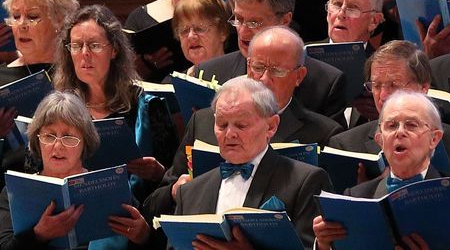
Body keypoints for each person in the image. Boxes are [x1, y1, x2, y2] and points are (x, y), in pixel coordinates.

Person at [143, 27, 344, 220]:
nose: (264, 79)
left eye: (277, 71)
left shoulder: (324, 133)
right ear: (248, 67)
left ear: (299, 76)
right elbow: (155, 203)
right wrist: (177, 191)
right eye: (258, 68)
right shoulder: (204, 121)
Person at [313, 91, 450, 250]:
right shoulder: (357, 195)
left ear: (434, 139)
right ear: (380, 140)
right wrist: (324, 245)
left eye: (411, 125)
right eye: (391, 126)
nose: (400, 132)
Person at [174, 76, 333, 249]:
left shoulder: (305, 181)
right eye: (222, 124)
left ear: (271, 126)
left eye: (241, 125)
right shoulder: (189, 192)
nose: (229, 134)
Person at [52, 5, 178, 200]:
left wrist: (158, 172)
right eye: (76, 46)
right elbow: (37, 170)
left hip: (136, 213)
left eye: (94, 45)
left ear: (114, 50)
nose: (85, 53)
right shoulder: (59, 109)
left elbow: (174, 179)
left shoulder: (147, 105)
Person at [0, 91, 153, 248]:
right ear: (36, 141)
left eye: (69, 137)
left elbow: (148, 241)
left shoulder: (113, 186)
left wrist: (143, 236)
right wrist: (39, 235)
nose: (58, 146)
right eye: (49, 136)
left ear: (85, 143)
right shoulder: (14, 192)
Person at [193, 0, 347, 121]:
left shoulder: (325, 83)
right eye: (239, 19)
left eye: (254, 22)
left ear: (285, 20)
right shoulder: (209, 73)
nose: (243, 31)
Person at [327, 40, 450, 178]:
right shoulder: (345, 146)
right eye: (376, 86)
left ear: (423, 87)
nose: (383, 96)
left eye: (394, 84)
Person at [0, 0, 79, 187]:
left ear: (59, 20)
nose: (22, 24)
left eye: (33, 16)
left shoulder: (78, 73)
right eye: (16, 16)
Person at [171, 0, 230, 76]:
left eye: (200, 29)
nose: (191, 36)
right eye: (184, 30)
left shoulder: (241, 79)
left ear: (222, 31)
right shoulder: (171, 85)